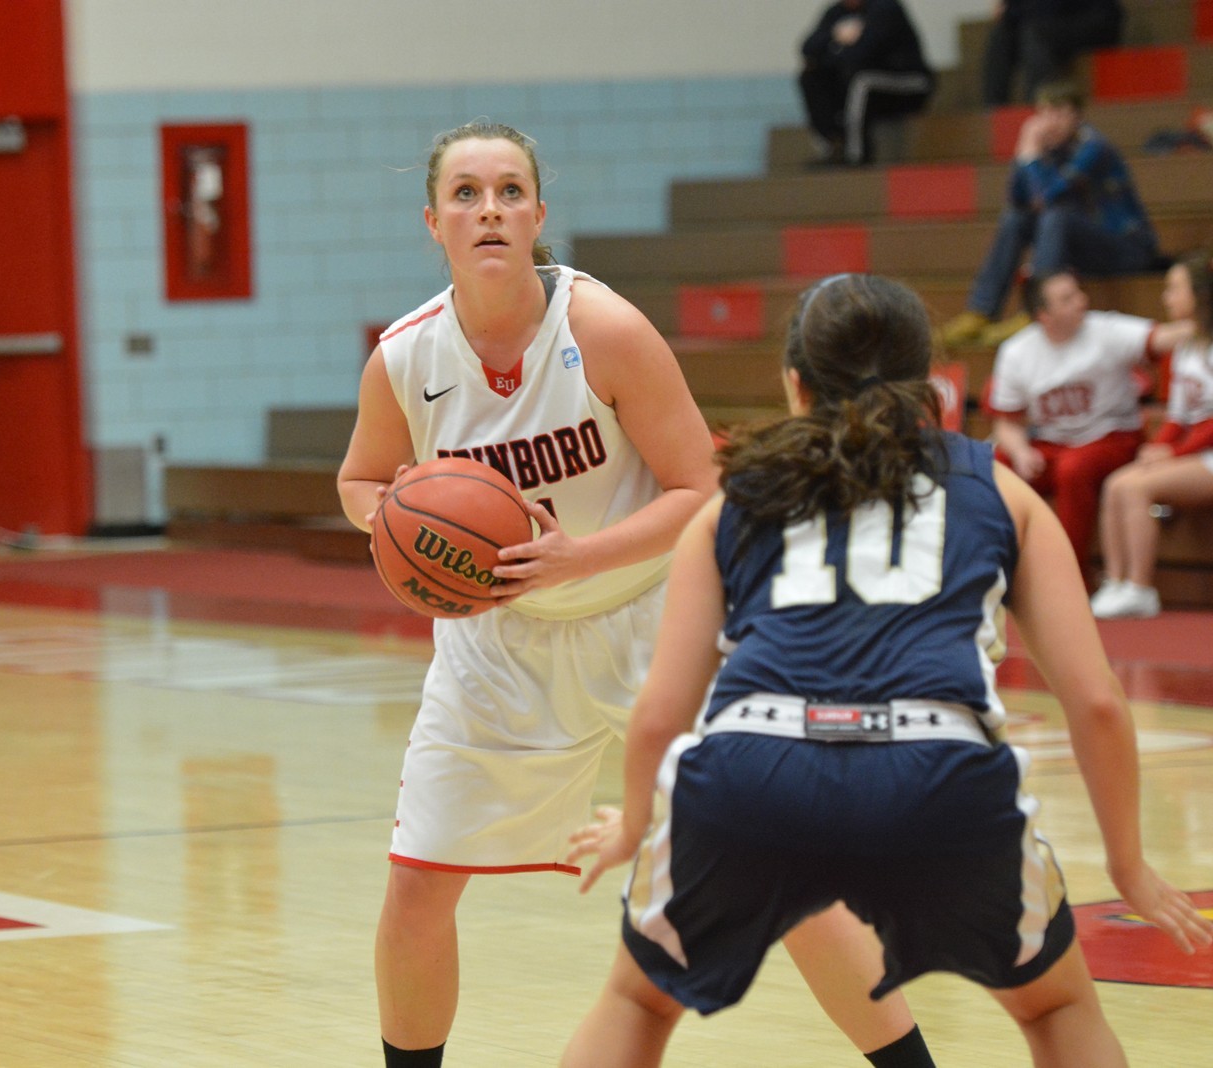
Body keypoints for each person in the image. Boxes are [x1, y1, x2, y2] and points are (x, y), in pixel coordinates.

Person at [338, 123, 938, 1068]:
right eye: (465, 194)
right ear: (433, 221)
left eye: (507, 191)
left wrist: (586, 557)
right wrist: (397, 531)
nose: (487, 209)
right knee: (417, 888)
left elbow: (700, 487)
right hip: (499, 644)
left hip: (654, 623)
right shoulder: (406, 359)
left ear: (538, 214)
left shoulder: (602, 329)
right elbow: (361, 480)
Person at [560, 272, 1213, 1068]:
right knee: (1055, 1007)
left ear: (794, 382)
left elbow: (663, 712)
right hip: (937, 770)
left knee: (638, 1000)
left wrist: (632, 823)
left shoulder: (734, 500)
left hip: (756, 768)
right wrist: (1128, 866)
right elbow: (1098, 705)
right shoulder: (998, 491)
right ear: (930, 383)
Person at [940, 81, 1159, 348]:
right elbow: (1018, 200)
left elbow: (1048, 197)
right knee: (1015, 219)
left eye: (1058, 113)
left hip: (1125, 250)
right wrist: (1023, 156)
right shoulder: (1048, 149)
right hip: (1081, 249)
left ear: (1076, 116)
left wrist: (1030, 156)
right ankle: (980, 313)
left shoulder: (1094, 148)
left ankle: (1036, 307)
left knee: (1057, 215)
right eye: (1044, 114)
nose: (1049, 122)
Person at [987, 268, 1169, 577]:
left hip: (1112, 438)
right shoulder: (1017, 351)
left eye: (1078, 293)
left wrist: (1199, 324)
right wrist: (1019, 452)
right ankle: (997, 570)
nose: (1081, 301)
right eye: (1068, 298)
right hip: (1052, 442)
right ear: (1044, 315)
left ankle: (1070, 576)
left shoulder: (1106, 329)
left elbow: (1162, 338)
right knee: (996, 466)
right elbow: (1006, 423)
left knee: (1073, 468)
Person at [1093, 251, 1213, 618]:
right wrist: (1157, 447)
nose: (1167, 297)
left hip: (1207, 454)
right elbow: (1179, 415)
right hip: (1196, 452)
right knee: (1116, 482)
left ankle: (1140, 588)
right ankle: (1116, 582)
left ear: (1201, 293)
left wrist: (1173, 455)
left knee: (1135, 488)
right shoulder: (1185, 347)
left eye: (1174, 289)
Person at [798, 0, 935, 167]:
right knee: (811, 76)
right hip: (864, 81)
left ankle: (856, 156)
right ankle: (833, 144)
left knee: (862, 82)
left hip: (907, 82)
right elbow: (807, 48)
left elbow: (863, 53)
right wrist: (835, 34)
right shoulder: (836, 12)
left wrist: (832, 54)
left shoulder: (885, 8)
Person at [982, 1, 1125, 107]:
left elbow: (1049, 8)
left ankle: (1039, 110)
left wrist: (1011, 11)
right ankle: (994, 112)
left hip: (1093, 19)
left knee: (1036, 35)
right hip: (1049, 20)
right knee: (1001, 36)